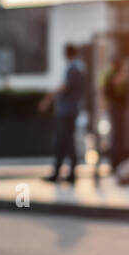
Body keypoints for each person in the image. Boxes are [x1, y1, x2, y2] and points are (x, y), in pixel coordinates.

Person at [38, 43, 86, 185]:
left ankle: (67, 172)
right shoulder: (78, 68)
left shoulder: (73, 69)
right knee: (64, 141)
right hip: (69, 110)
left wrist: (49, 97)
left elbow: (65, 86)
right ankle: (61, 172)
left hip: (67, 111)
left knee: (64, 141)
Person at [101, 55, 129, 172]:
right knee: (117, 136)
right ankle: (115, 163)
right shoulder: (112, 74)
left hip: (118, 107)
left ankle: (118, 162)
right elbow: (115, 83)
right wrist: (126, 72)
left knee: (119, 135)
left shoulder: (112, 73)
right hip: (115, 107)